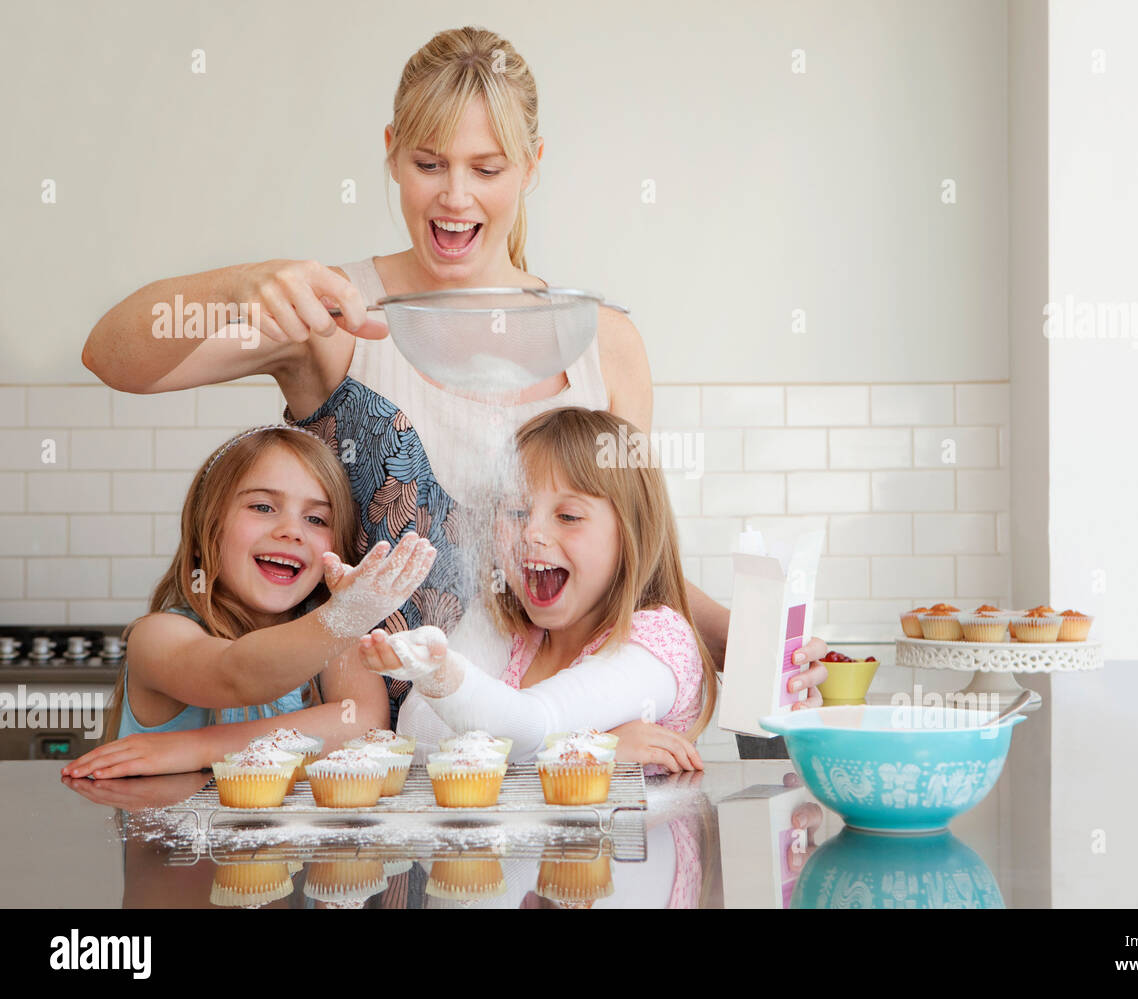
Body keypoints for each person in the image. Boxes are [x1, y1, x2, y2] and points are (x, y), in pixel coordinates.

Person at [80, 26, 827, 762]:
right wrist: (245, 281)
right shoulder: (334, 314)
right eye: (429, 163)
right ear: (391, 150)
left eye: (487, 167)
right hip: (382, 763)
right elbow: (114, 356)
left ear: (532, 165)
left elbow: (629, 557)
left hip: (570, 757)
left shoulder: (607, 345)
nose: (455, 197)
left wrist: (763, 646)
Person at [61, 426, 436, 779]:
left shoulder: (333, 637)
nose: (291, 530)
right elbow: (235, 675)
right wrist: (345, 616)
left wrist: (200, 748)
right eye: (262, 507)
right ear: (204, 532)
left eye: (316, 518)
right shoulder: (158, 636)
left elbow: (363, 723)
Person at [359, 409, 716, 772]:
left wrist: (438, 673)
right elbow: (418, 734)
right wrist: (586, 749)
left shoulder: (659, 646)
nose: (531, 533)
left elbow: (533, 725)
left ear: (632, 534)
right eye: (516, 512)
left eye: (568, 517)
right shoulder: (507, 623)